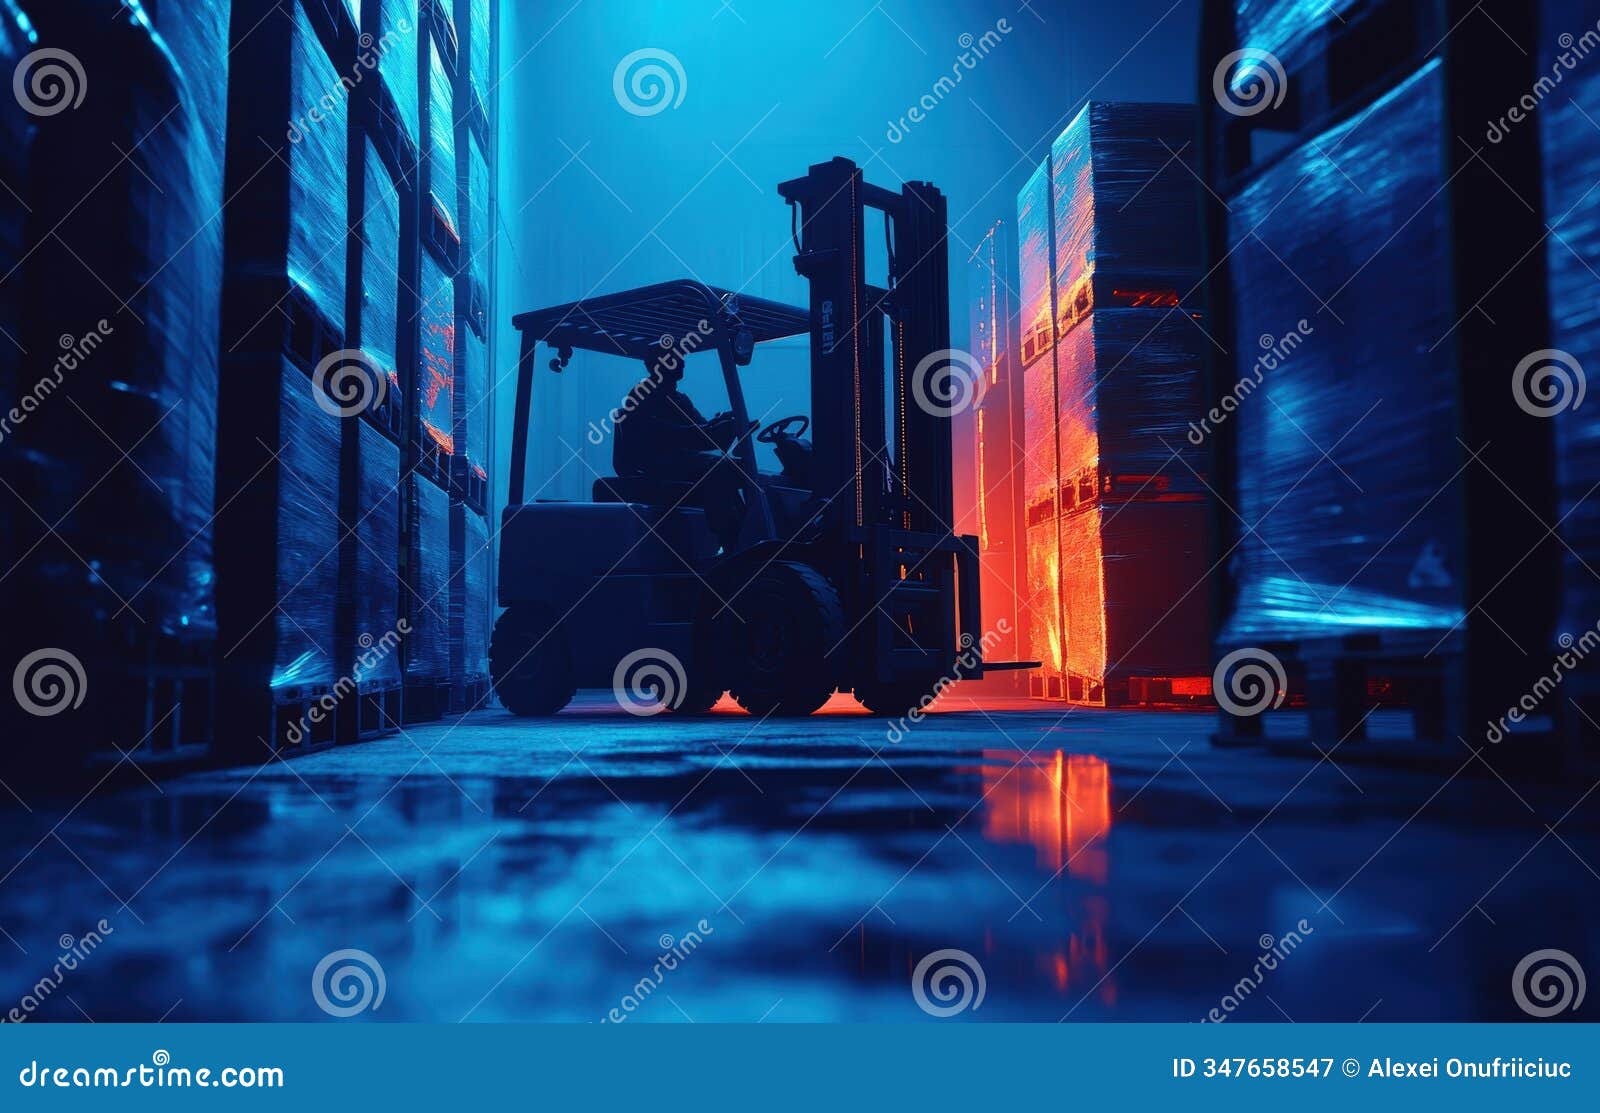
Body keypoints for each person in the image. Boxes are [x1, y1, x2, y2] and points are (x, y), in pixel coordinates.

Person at [612, 353, 750, 552]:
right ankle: (730, 541)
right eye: (676, 359)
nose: (683, 363)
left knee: (736, 468)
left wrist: (721, 422)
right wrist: (709, 432)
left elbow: (700, 427)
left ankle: (744, 531)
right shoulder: (642, 396)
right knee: (719, 470)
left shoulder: (678, 398)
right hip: (655, 466)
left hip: (679, 462)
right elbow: (666, 434)